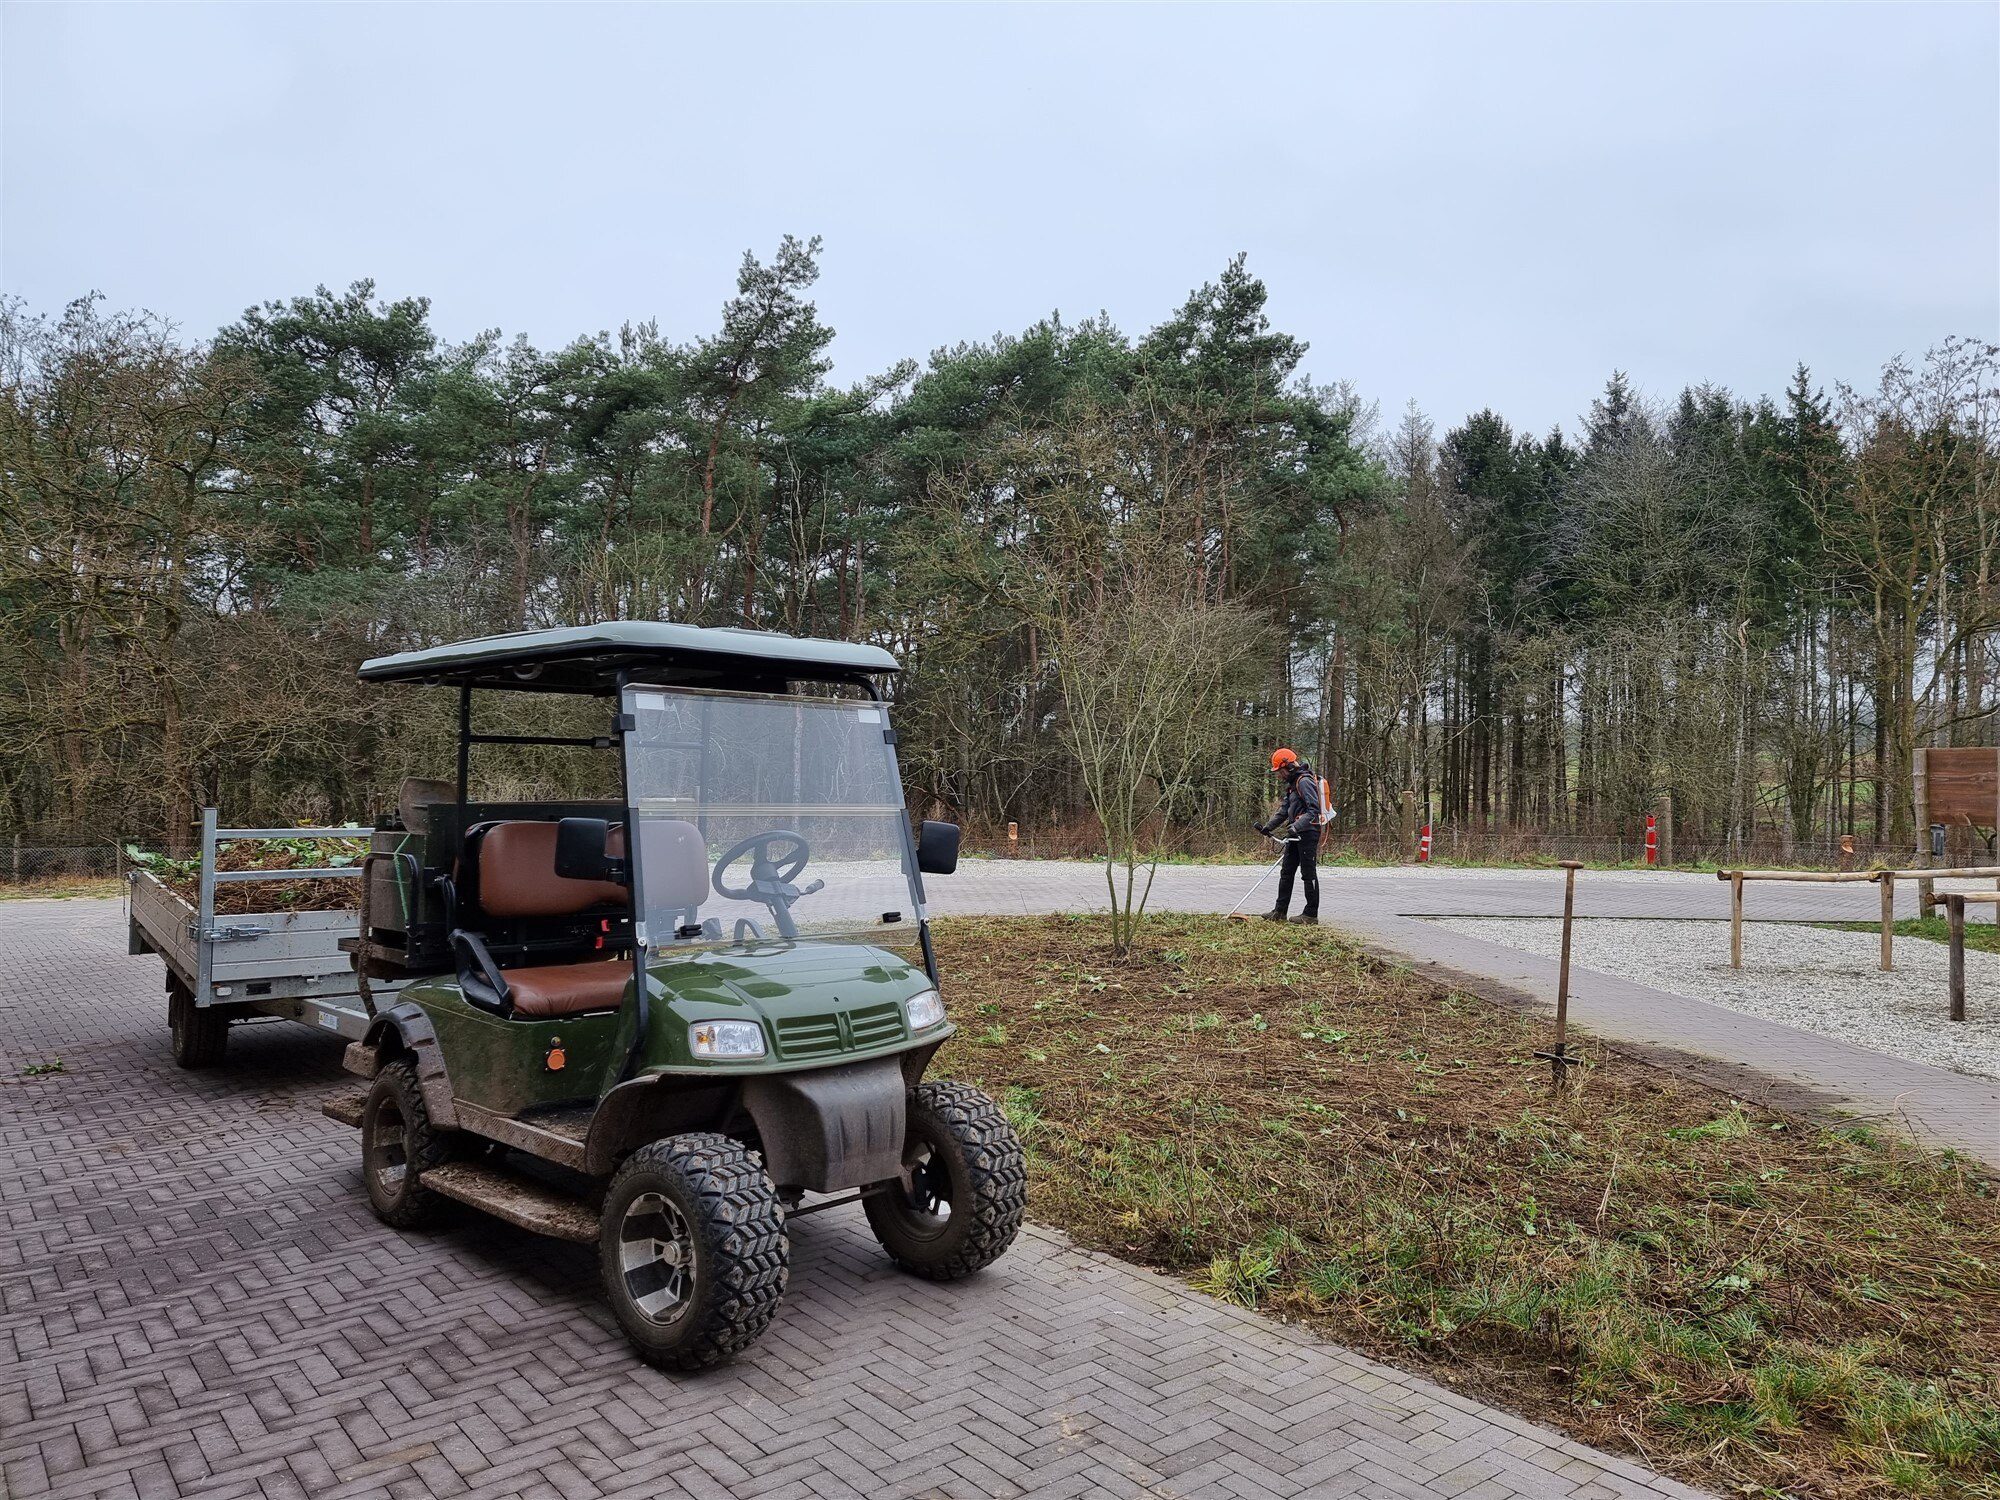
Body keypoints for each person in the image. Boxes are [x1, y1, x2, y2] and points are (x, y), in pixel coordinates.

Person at [1255, 747, 1323, 924]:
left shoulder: (1304, 782)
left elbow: (1314, 810)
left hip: (1308, 832)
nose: (1279, 775)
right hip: (1295, 833)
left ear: (1289, 766)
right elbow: (1284, 810)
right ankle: (1280, 911)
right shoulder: (1293, 786)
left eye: (1280, 771)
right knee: (1286, 872)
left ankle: (1310, 914)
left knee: (1308, 873)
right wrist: (1268, 827)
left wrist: (1297, 826)